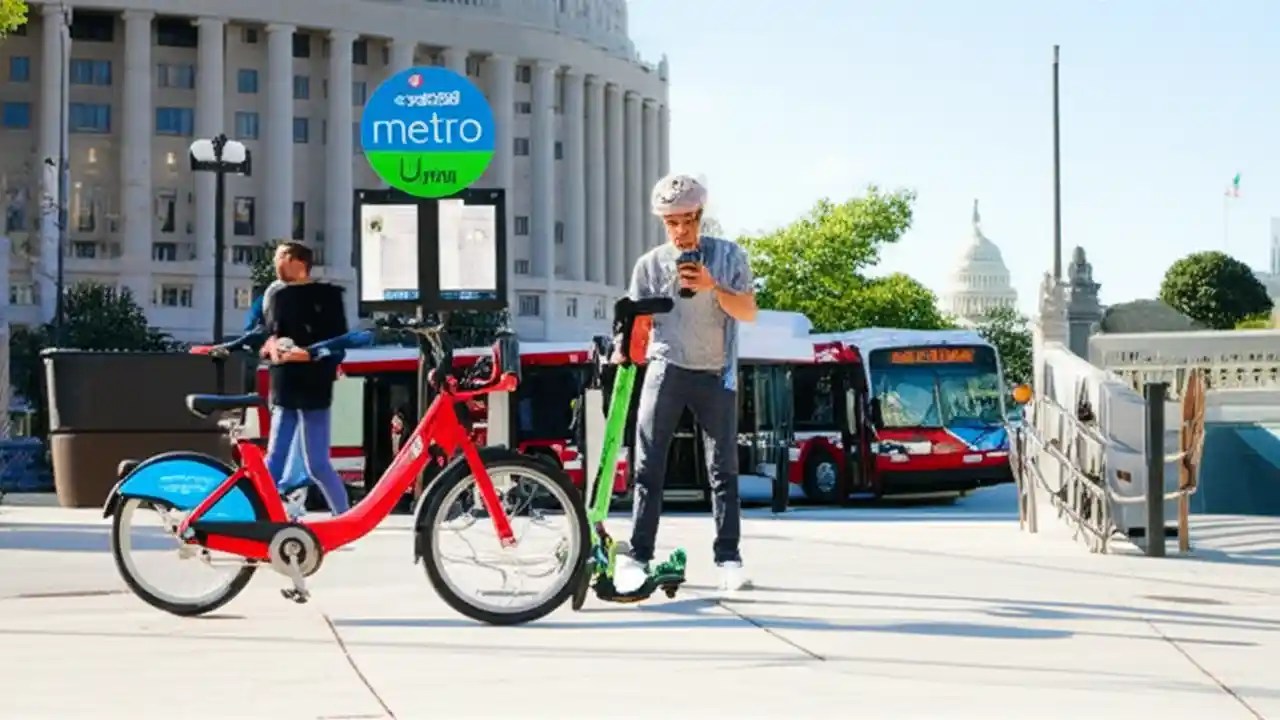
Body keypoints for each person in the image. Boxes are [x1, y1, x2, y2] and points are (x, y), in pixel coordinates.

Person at [612, 173, 759, 595]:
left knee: (723, 470)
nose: (680, 231)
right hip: (667, 367)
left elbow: (748, 311)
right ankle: (639, 555)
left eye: (686, 221)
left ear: (699, 217)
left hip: (716, 371)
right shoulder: (649, 264)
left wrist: (712, 286)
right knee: (648, 464)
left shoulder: (730, 257)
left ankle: (728, 558)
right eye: (671, 223)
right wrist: (626, 344)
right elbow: (636, 327)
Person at [258, 242, 351, 515]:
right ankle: (254, 516)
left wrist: (309, 355)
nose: (276, 263)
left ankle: (344, 516)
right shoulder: (277, 296)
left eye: (280, 257)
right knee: (274, 460)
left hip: (314, 387)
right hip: (284, 384)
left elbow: (338, 343)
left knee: (318, 464)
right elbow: (270, 334)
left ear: (297, 261)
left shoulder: (328, 296)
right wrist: (270, 347)